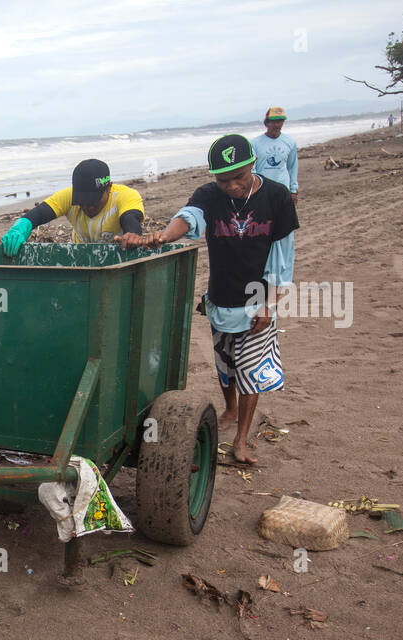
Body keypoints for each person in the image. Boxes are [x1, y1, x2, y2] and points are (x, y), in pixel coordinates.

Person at [121, 134, 298, 464]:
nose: (231, 186)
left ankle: (241, 440)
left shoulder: (277, 197)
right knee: (225, 367)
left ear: (251, 165)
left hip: (257, 299)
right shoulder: (208, 195)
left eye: (238, 178)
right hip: (220, 298)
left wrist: (269, 303)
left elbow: (282, 256)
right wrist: (160, 237)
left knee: (251, 370)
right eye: (223, 180)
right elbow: (188, 218)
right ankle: (229, 408)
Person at [0, 158, 144, 255]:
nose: (88, 207)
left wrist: (132, 235)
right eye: (82, 201)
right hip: (79, 255)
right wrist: (19, 228)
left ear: (109, 187)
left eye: (93, 200)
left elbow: (131, 219)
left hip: (117, 255)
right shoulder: (68, 196)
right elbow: (36, 216)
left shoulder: (125, 196)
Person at [252, 106, 298, 287]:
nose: (276, 125)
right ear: (266, 122)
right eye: (273, 121)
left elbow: (292, 167)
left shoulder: (290, 142)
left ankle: (284, 276)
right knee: (264, 232)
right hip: (263, 194)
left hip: (284, 194)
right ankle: (265, 272)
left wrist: (293, 190)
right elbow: (253, 171)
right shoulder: (255, 144)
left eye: (280, 121)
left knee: (286, 233)